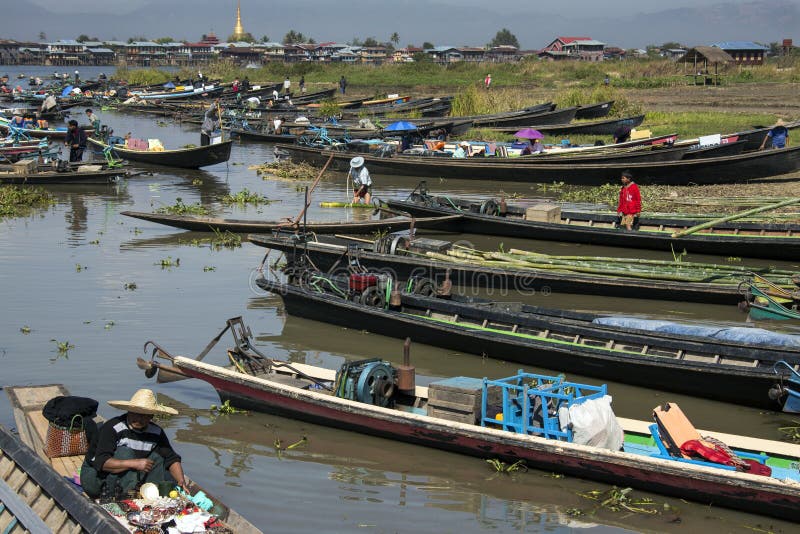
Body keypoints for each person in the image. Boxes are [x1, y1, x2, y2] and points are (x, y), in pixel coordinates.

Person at [79, 389, 190, 499]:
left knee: (157, 457)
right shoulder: (113, 428)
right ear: (129, 411)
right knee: (125, 452)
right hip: (95, 478)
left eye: (144, 415)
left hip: (126, 477)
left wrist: (181, 481)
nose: (138, 419)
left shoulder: (157, 432)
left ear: (151, 416)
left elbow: (171, 458)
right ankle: (121, 497)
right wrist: (134, 463)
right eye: (135, 414)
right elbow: (101, 462)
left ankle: (151, 497)